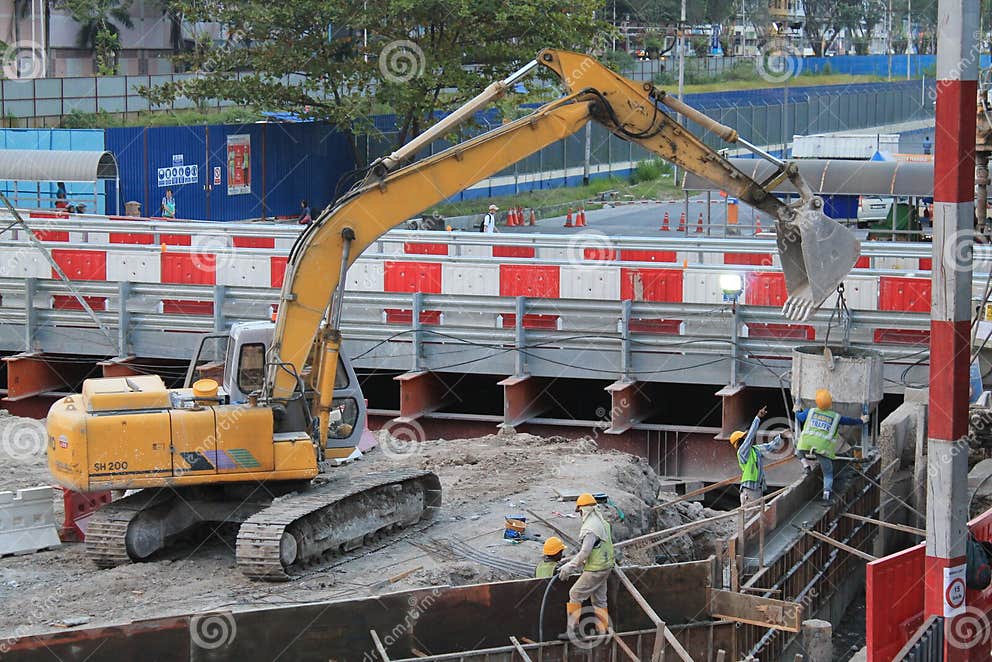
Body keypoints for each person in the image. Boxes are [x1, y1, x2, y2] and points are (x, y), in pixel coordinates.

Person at [557, 493, 613, 640]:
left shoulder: (590, 528)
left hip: (596, 569)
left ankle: (574, 631)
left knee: (575, 594)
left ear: (583, 510)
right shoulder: (603, 522)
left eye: (580, 511)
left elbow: (585, 552)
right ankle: (602, 630)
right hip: (606, 566)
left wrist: (570, 566)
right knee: (599, 599)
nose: (580, 514)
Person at [795, 389, 868, 502]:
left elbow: (799, 417)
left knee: (798, 452)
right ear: (830, 403)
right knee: (828, 473)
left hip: (806, 444)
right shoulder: (836, 417)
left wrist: (796, 410)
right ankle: (826, 495)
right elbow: (850, 421)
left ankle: (806, 466)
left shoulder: (810, 411)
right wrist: (862, 420)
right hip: (823, 448)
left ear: (817, 402)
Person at [729, 405, 785, 506]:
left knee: (757, 513)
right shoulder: (742, 452)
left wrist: (780, 437)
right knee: (751, 514)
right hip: (749, 489)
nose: (746, 437)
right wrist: (757, 418)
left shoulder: (755, 450)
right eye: (744, 437)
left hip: (757, 488)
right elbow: (750, 438)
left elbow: (770, 446)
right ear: (740, 441)